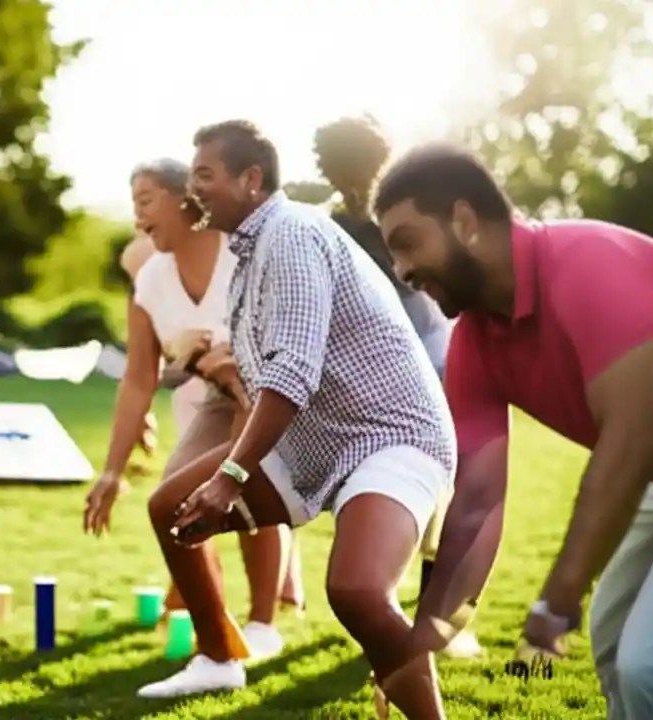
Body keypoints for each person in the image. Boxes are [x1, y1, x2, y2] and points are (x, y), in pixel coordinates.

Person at [136, 120, 455, 720]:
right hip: (315, 440)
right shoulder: (251, 249)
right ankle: (219, 658)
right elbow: (265, 376)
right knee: (168, 507)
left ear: (250, 179)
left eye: (204, 175)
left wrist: (229, 475)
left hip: (388, 436)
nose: (191, 190)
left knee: (358, 591)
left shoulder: (291, 233)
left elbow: (291, 375)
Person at [375, 143, 653, 720]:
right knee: (614, 644)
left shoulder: (589, 264)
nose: (401, 271)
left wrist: (561, 593)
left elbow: (632, 437)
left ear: (464, 222)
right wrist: (424, 637)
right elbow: (474, 501)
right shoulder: (476, 341)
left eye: (407, 243)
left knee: (652, 666)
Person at [83, 158, 290, 659]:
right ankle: (216, 636)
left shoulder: (239, 254)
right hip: (213, 400)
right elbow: (137, 380)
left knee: (247, 489)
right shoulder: (150, 280)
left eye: (145, 202)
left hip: (270, 395)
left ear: (184, 199)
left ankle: (263, 623)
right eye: (133, 205)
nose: (137, 220)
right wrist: (111, 471)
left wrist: (225, 356)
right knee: (178, 506)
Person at [314, 116, 480, 659]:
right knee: (401, 495)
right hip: (384, 378)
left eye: (341, 161)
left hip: (440, 361)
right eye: (330, 163)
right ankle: (391, 609)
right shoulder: (335, 227)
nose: (336, 174)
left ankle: (440, 618)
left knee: (450, 499)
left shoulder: (406, 213)